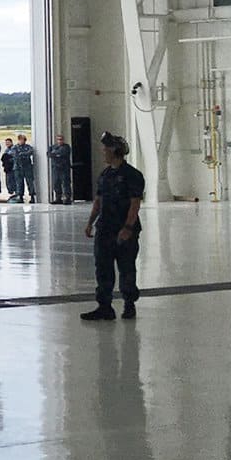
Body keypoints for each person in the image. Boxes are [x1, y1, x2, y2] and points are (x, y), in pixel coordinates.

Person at [82, 132, 144, 321]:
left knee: (126, 267)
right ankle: (105, 306)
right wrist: (90, 222)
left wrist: (127, 228)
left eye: (106, 149)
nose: (103, 153)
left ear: (115, 151)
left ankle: (129, 304)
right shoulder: (105, 175)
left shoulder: (132, 175)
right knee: (103, 268)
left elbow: (135, 203)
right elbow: (98, 201)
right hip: (105, 228)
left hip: (123, 229)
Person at [11, 133, 38, 204]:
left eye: (22, 140)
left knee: (30, 182)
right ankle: (20, 196)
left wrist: (22, 154)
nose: (21, 141)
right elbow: (15, 155)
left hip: (27, 167)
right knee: (19, 183)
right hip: (18, 167)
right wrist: (23, 154)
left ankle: (32, 196)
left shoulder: (28, 147)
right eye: (20, 140)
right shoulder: (15, 147)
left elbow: (30, 152)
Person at [47, 134, 73, 204]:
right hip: (56, 168)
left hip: (64, 168)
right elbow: (49, 154)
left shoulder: (66, 147)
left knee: (65, 183)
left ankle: (67, 198)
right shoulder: (53, 147)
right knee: (56, 183)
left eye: (61, 139)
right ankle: (58, 198)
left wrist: (55, 154)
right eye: (58, 139)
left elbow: (62, 153)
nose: (60, 141)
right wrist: (56, 155)